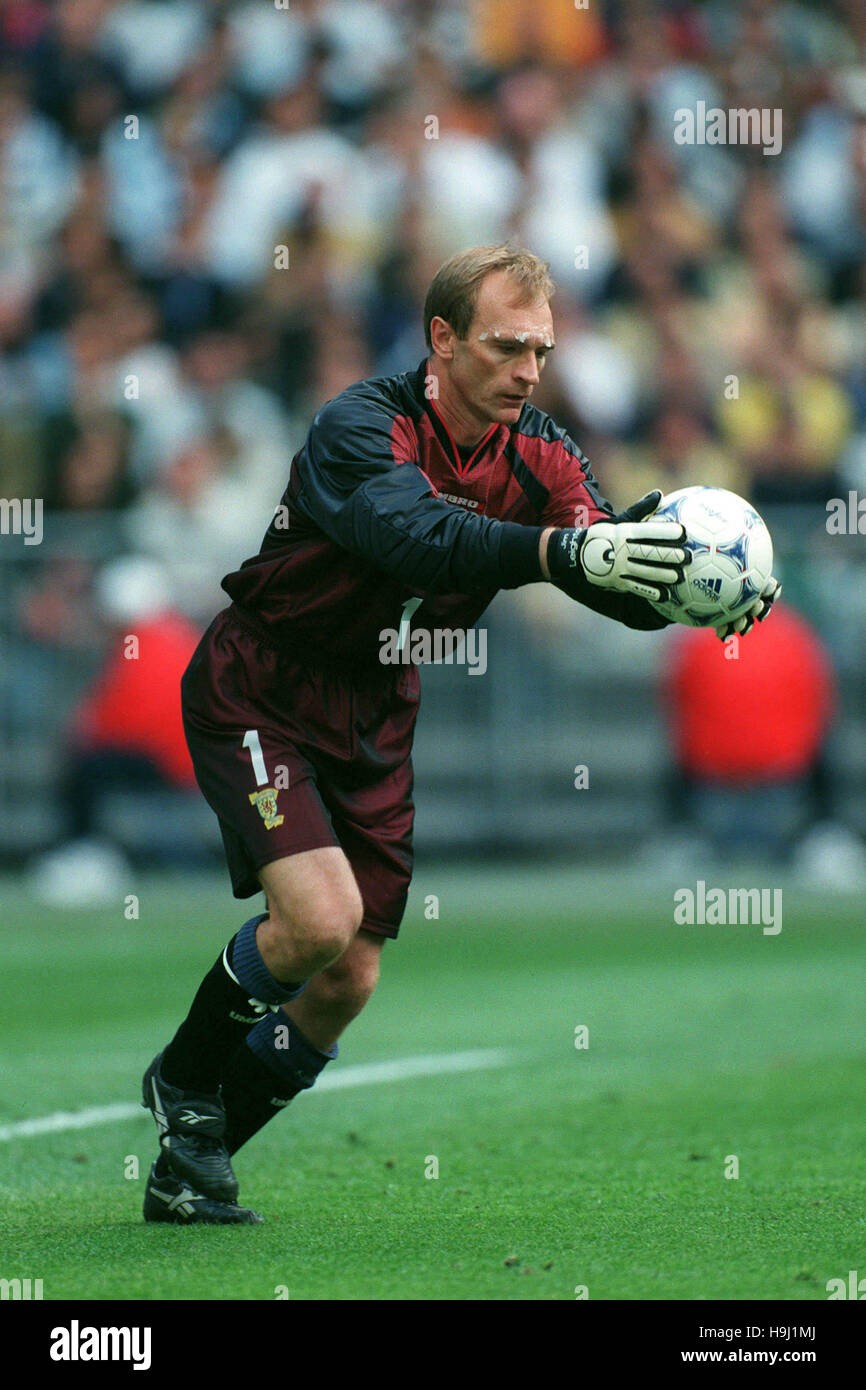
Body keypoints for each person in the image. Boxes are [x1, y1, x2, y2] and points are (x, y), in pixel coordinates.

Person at [140, 244, 779, 1223]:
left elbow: (594, 567)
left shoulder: (543, 453)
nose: (526, 370)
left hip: (377, 708)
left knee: (346, 976)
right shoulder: (360, 424)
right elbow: (416, 535)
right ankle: (181, 1080)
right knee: (314, 921)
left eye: (541, 349)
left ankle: (191, 1162)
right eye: (504, 346)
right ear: (442, 339)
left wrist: (686, 590)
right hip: (261, 683)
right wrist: (565, 548)